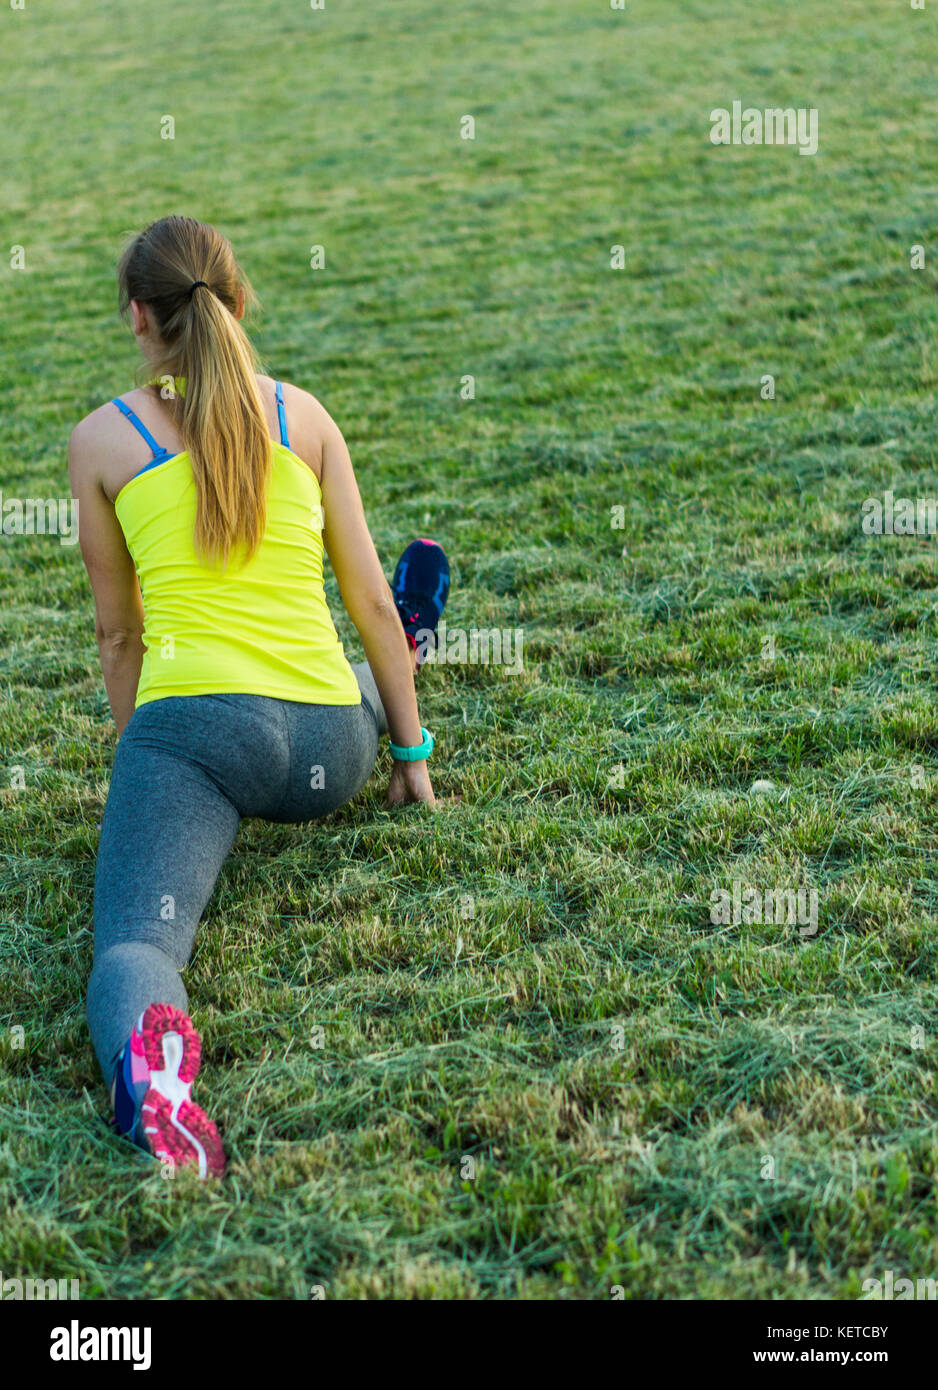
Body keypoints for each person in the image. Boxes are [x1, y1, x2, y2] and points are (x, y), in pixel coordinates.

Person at [67, 214, 450, 1178]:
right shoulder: (305, 416)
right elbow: (356, 596)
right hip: (330, 743)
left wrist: (144, 764)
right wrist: (411, 763)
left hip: (197, 738)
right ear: (238, 301)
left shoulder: (101, 442)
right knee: (378, 639)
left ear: (136, 319)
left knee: (137, 950)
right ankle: (414, 637)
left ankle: (157, 1089)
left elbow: (121, 637)